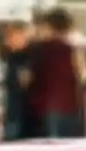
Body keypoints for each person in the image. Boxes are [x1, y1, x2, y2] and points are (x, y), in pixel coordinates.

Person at [27, 9, 79, 138]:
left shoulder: (39, 49)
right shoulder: (72, 50)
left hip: (46, 107)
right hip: (70, 107)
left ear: (49, 27)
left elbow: (28, 78)